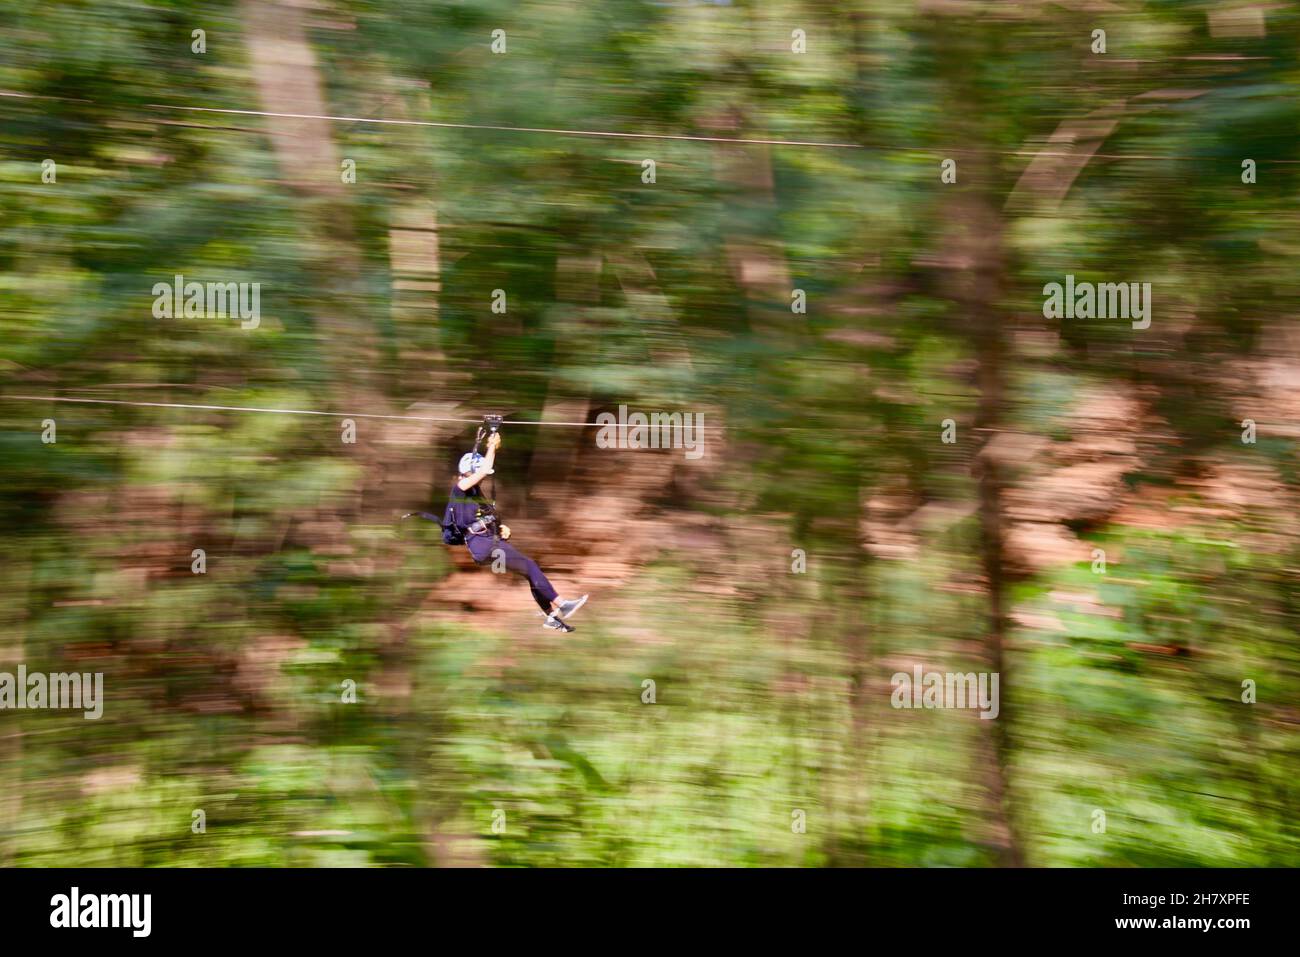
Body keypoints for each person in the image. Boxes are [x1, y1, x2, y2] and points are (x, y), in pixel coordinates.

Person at [433, 431, 588, 631]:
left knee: (529, 571)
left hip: (487, 543)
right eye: (480, 475)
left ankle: (551, 617)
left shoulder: (475, 495)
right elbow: (484, 469)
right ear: (469, 472)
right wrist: (491, 447)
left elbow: (484, 516)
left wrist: (501, 528)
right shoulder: (460, 488)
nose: (483, 479)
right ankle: (562, 605)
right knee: (531, 566)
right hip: (484, 545)